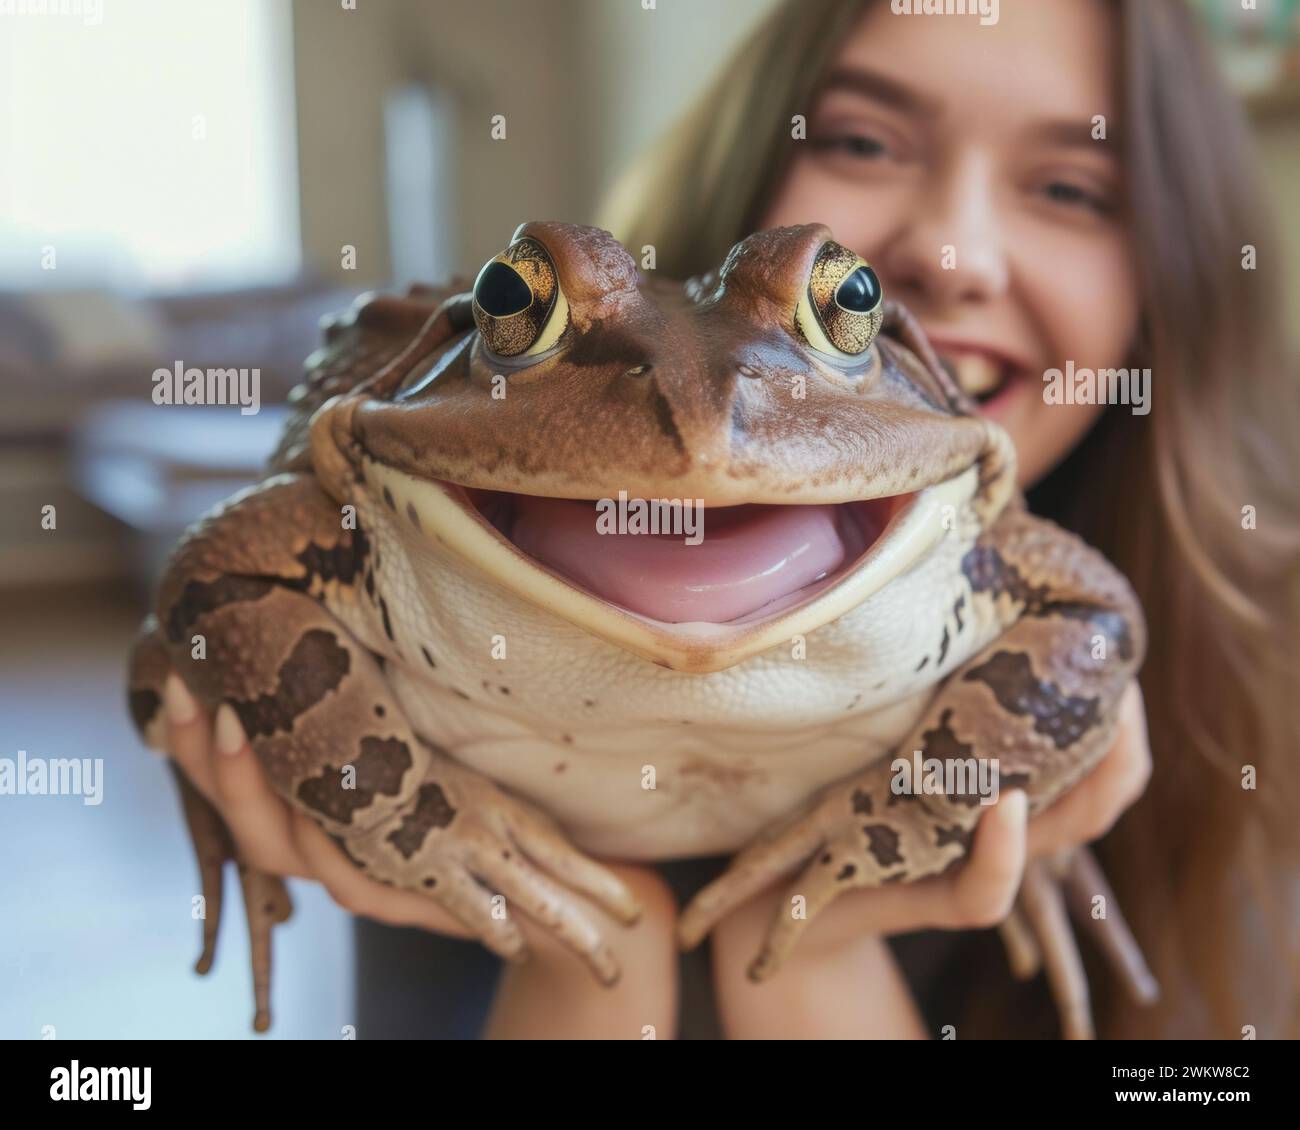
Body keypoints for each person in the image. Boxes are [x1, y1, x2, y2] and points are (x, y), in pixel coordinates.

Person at [155, 0, 1300, 1039]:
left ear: (1177, 270)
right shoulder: (416, 634)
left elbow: (1091, 613)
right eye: (863, 139)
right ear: (746, 152)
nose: (954, 256)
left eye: (1069, 187)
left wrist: (837, 901)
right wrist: (444, 847)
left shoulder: (1251, 702)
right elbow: (217, 582)